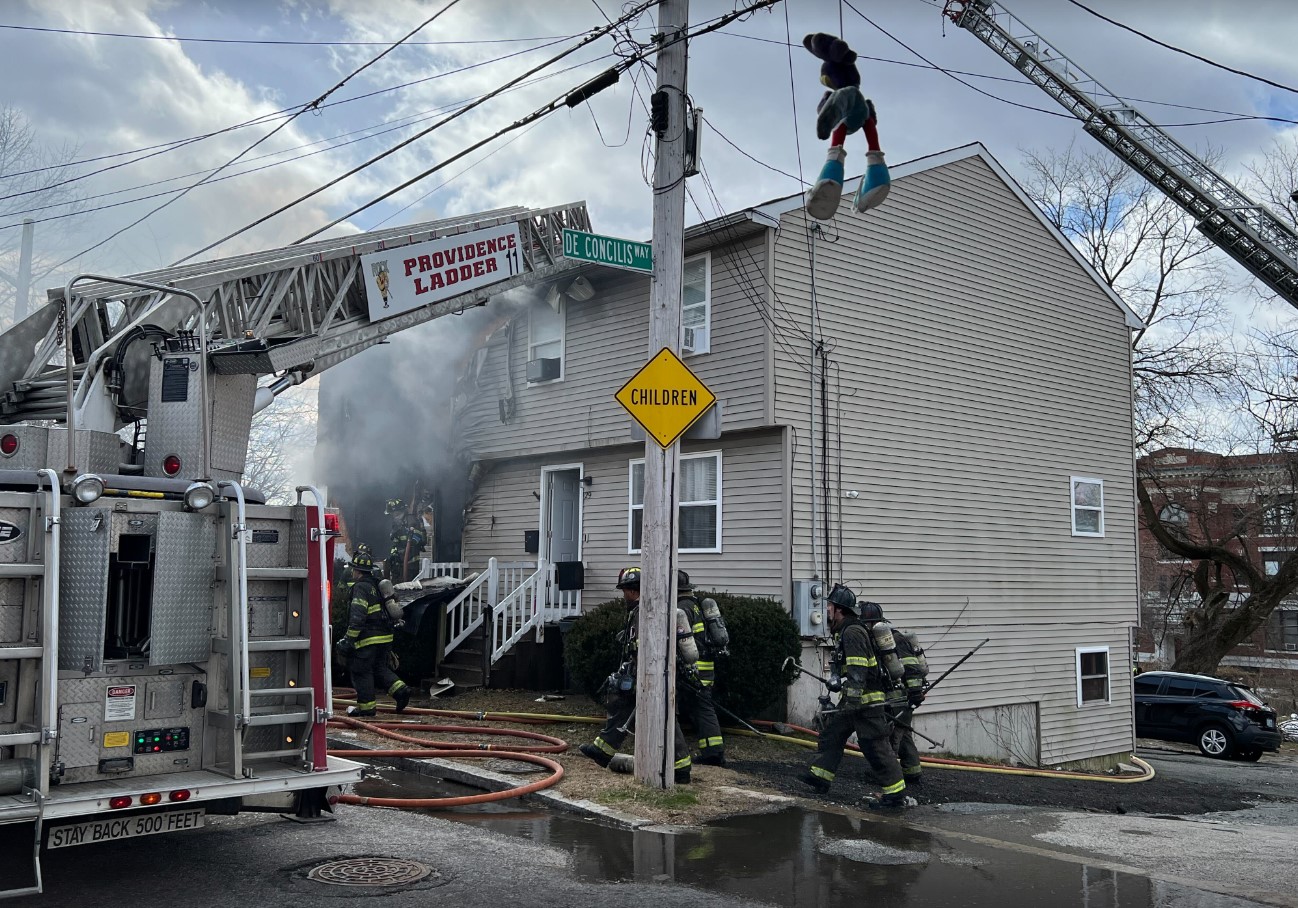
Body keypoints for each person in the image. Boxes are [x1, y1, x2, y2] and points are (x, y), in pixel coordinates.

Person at [797, 585, 915, 810]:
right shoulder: (845, 631)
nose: (827, 611)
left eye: (829, 606)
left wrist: (852, 699)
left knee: (875, 745)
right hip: (854, 699)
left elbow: (858, 667)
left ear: (839, 609)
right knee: (832, 734)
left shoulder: (852, 632)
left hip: (865, 700)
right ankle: (820, 777)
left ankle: (895, 794)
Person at [579, 566, 693, 783]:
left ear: (633, 591)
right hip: (648, 673)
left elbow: (643, 647)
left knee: (662, 716)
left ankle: (680, 768)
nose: (623, 596)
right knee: (629, 709)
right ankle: (602, 751)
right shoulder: (642, 610)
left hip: (650, 674)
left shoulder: (644, 611)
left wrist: (638, 674)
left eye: (625, 591)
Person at [336, 546, 410, 717]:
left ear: (357, 571)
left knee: (361, 671)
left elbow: (357, 617)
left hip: (368, 639)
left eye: (353, 569)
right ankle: (401, 691)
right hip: (385, 637)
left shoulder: (360, 588)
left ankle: (367, 708)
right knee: (379, 669)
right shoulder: (378, 585)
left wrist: (348, 640)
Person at [675, 570, 727, 766]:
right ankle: (711, 751)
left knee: (700, 709)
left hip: (693, 668)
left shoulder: (682, 608)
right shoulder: (696, 605)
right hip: (705, 666)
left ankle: (712, 753)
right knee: (701, 709)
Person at [885, 620, 929, 789]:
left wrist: (915, 692)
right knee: (904, 734)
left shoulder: (896, 642)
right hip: (903, 697)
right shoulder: (898, 640)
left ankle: (890, 775)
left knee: (893, 736)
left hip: (899, 698)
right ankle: (912, 771)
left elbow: (911, 668)